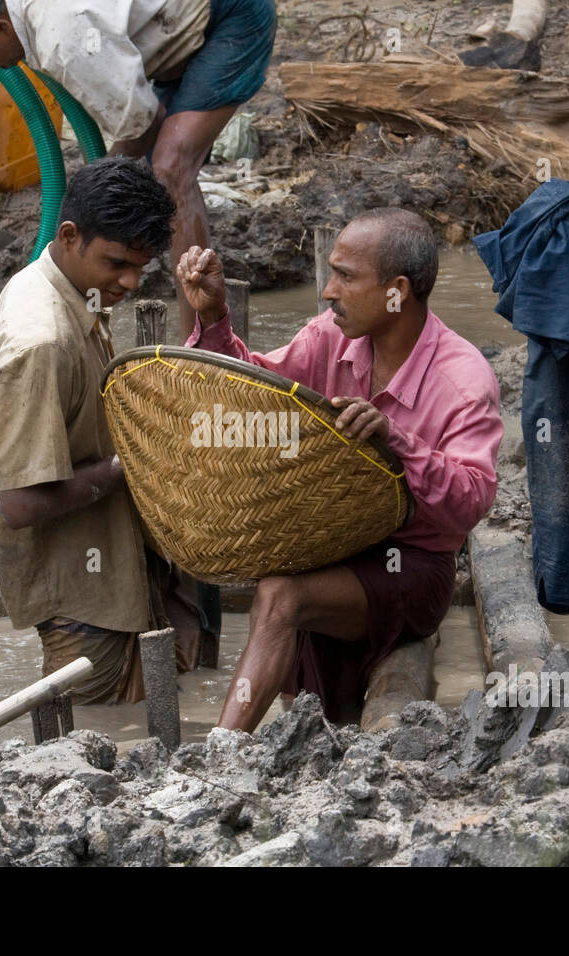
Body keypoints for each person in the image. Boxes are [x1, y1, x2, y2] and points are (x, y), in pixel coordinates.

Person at [175, 208, 504, 730]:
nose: (328, 292)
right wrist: (214, 319)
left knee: (280, 594)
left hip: (411, 562)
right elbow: (254, 393)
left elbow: (471, 501)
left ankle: (221, 752)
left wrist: (398, 442)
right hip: (329, 542)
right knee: (283, 593)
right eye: (332, 273)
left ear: (397, 291)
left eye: (346, 277)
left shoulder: (464, 378)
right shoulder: (330, 336)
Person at [0, 156, 204, 703]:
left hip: (102, 556)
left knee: (132, 705)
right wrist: (130, 466)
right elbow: (21, 504)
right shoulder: (42, 342)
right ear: (70, 236)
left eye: (142, 268)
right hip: (75, 582)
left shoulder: (66, 287)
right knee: (85, 716)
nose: (129, 281)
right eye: (116, 263)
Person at [0, 0, 277, 337]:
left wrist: (93, 186)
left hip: (229, 17)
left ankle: (200, 346)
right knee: (144, 173)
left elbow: (143, 124)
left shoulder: (67, 38)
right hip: (171, 32)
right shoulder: (32, 22)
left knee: (170, 168)